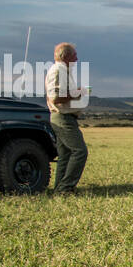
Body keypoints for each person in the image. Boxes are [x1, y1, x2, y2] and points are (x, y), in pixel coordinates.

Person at [45, 42, 89, 194]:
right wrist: (78, 93)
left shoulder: (61, 71)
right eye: (74, 55)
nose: (76, 59)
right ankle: (66, 187)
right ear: (66, 56)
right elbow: (56, 98)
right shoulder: (59, 71)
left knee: (65, 154)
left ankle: (60, 188)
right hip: (63, 117)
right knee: (80, 151)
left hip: (61, 116)